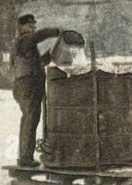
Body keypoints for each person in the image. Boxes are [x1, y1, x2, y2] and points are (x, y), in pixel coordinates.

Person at [12, 13, 82, 167]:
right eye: (30, 26)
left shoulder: (27, 45)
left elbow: (36, 64)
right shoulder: (24, 40)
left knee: (31, 120)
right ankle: (25, 158)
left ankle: (25, 157)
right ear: (21, 27)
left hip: (30, 85)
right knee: (30, 120)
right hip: (27, 85)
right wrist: (56, 31)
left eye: (34, 26)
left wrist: (50, 56)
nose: (33, 28)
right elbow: (39, 36)